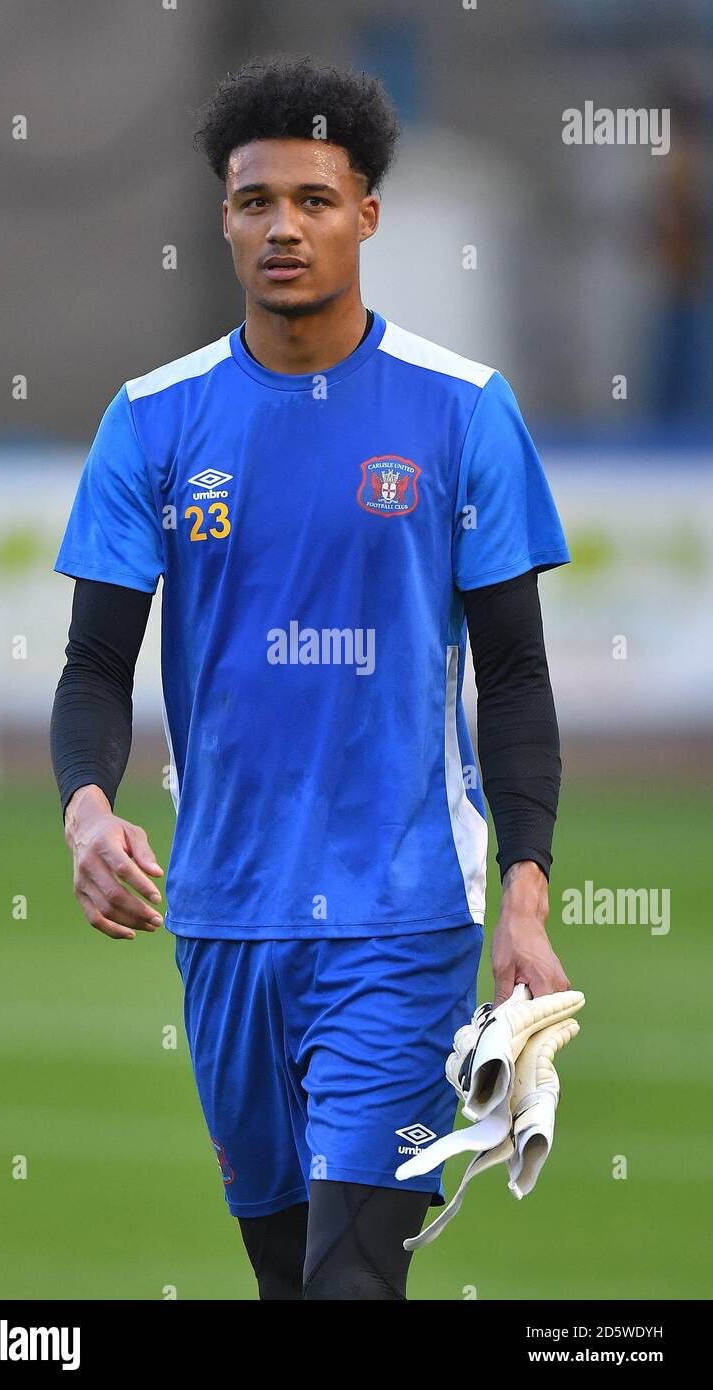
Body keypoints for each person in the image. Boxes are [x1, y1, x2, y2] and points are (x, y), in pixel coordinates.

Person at [51, 54, 572, 1301]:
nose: (284, 226)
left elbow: (512, 673)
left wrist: (526, 892)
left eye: (316, 199)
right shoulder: (152, 420)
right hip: (223, 914)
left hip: (401, 916)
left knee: (351, 1279)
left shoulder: (463, 411)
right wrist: (83, 804)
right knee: (287, 1279)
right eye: (255, 201)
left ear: (367, 215)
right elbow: (91, 665)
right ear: (224, 219)